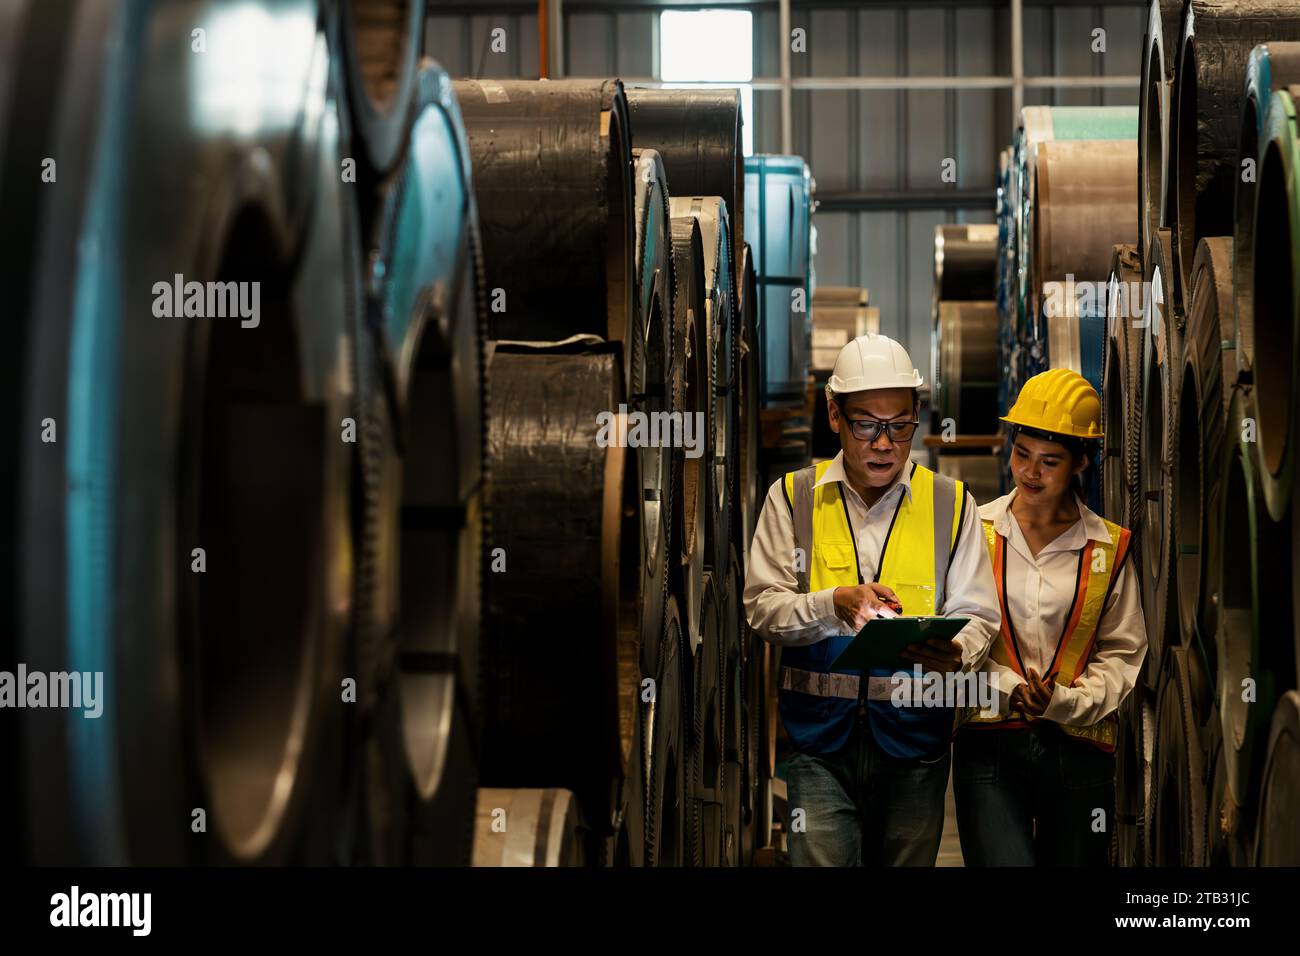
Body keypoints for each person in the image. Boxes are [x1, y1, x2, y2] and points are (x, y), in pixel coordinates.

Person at [744, 333, 1000, 866]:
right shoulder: (792, 499)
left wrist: (959, 653)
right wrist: (830, 603)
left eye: (899, 425)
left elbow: (978, 613)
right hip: (818, 744)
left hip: (917, 747)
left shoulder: (951, 504)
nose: (883, 443)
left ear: (916, 417)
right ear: (834, 416)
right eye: (866, 424)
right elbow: (762, 606)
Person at [953, 367, 1146, 866]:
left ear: (1080, 462)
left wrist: (1062, 701)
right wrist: (1011, 689)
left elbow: (1123, 653)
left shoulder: (1109, 547)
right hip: (989, 746)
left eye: (1050, 462)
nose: (1030, 473)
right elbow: (957, 637)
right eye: (1022, 454)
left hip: (1079, 749)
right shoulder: (978, 529)